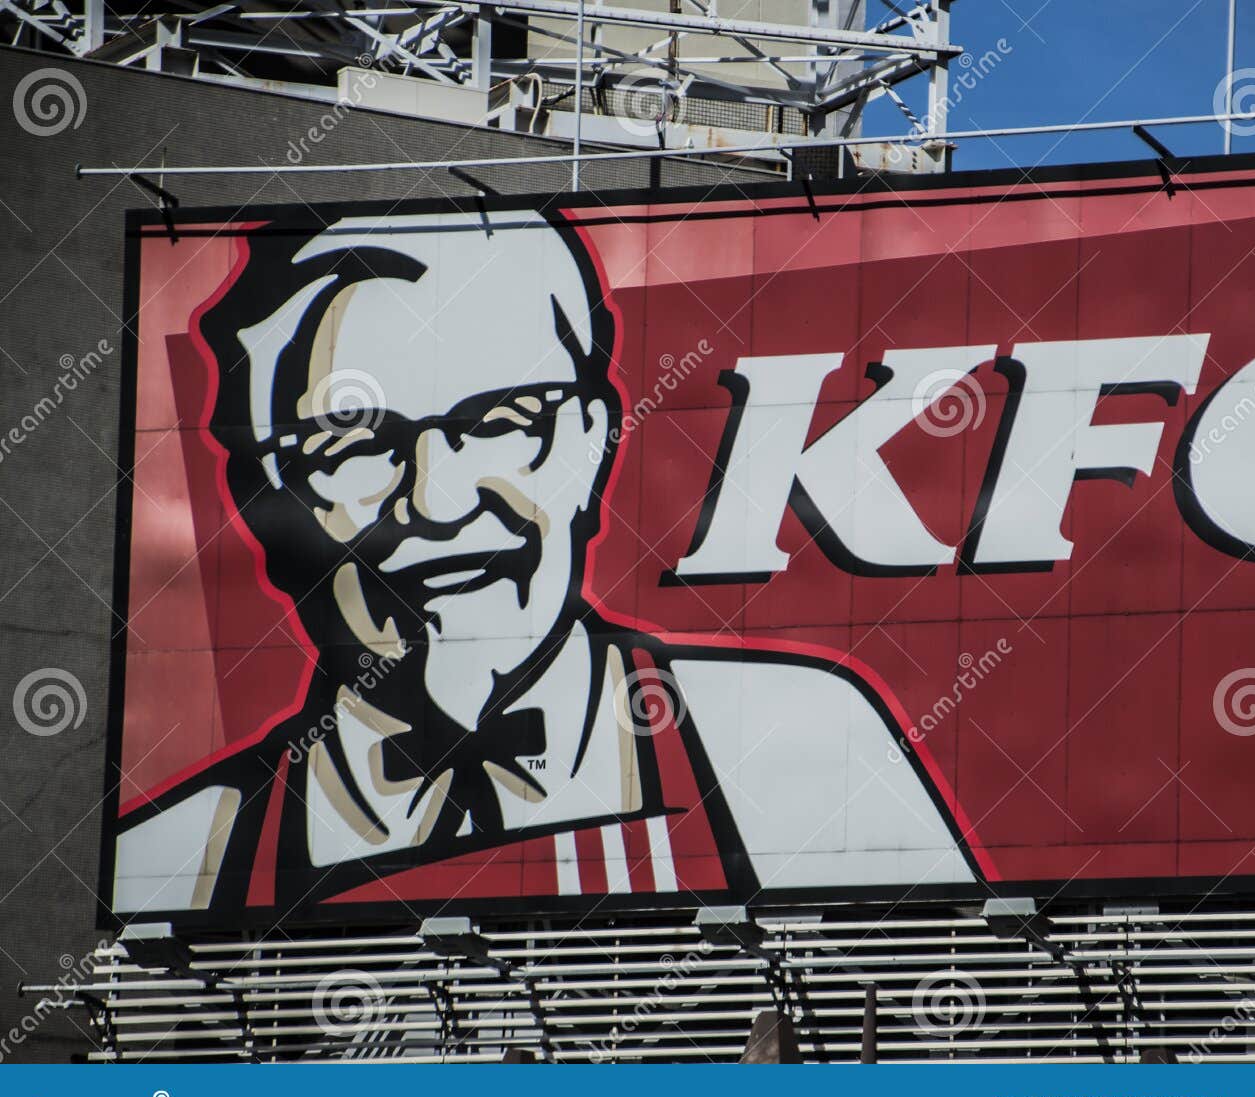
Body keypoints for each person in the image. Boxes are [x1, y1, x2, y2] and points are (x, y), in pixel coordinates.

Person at [111, 208, 981, 917]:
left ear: (596, 442)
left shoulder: (798, 742)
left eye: (503, 420)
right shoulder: (176, 860)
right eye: (352, 445)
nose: (442, 501)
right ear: (266, 502)